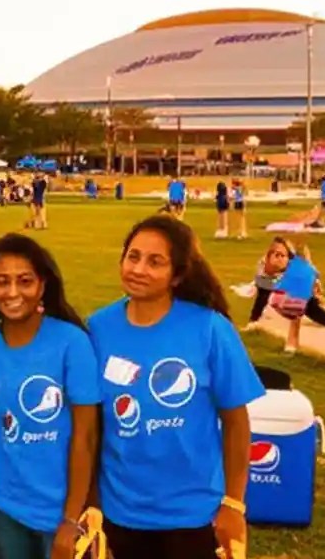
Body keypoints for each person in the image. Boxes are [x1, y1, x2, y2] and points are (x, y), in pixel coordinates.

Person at [88, 215, 264, 559]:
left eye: (156, 262)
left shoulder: (209, 329)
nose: (139, 269)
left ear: (178, 274)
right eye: (133, 256)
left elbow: (236, 422)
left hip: (194, 514)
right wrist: (93, 505)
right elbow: (91, 426)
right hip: (122, 512)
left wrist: (233, 503)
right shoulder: (99, 328)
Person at [0, 234, 99, 559]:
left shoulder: (72, 343)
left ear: (42, 285)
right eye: (2, 281)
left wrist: (72, 519)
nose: (13, 292)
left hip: (62, 512)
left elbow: (85, 437)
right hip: (6, 509)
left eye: (25, 281)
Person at [247, 237, 325, 344]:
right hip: (275, 280)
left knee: (309, 306)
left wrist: (316, 292)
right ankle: (254, 320)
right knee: (264, 294)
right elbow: (263, 282)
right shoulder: (266, 263)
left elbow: (310, 277)